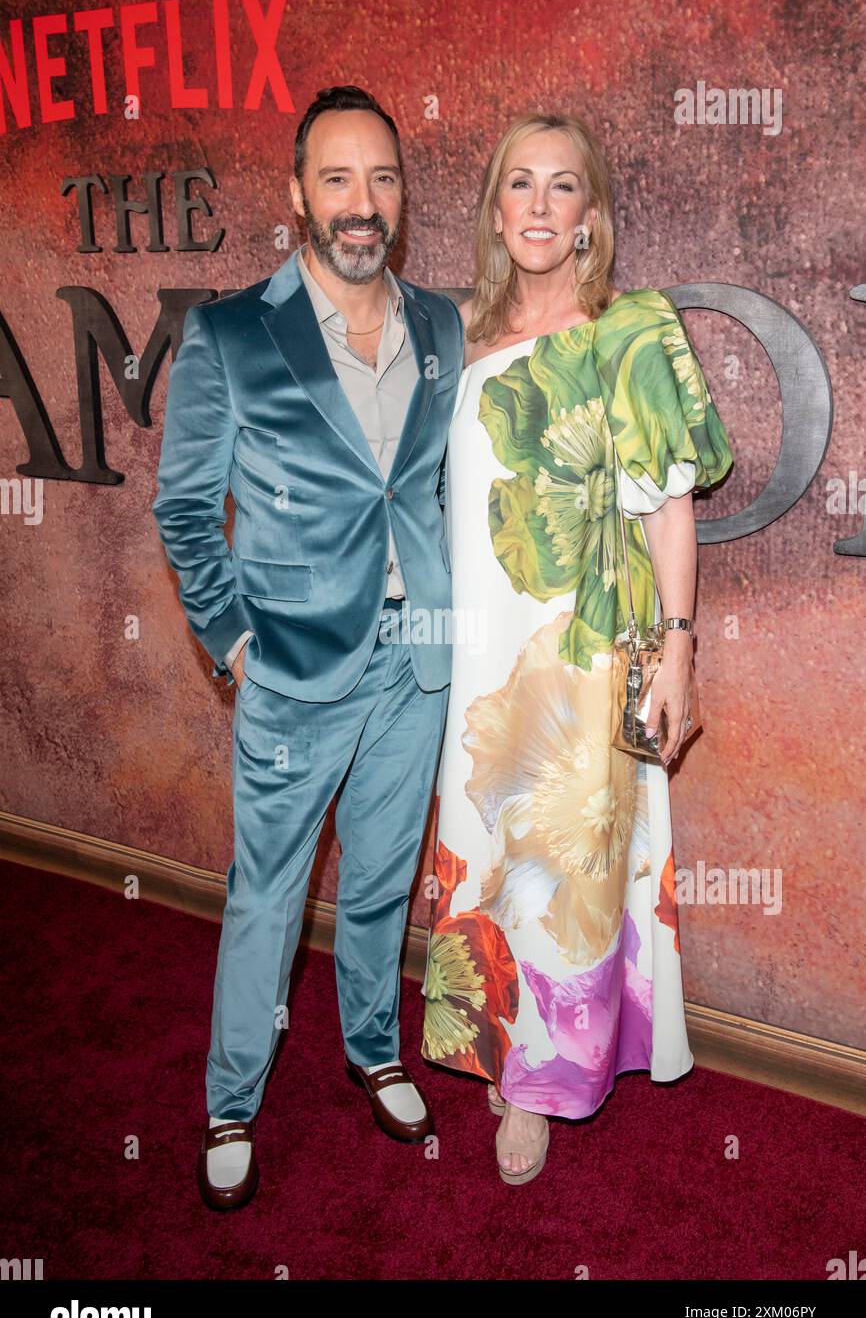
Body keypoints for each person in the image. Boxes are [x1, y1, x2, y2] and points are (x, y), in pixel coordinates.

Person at [153, 85, 463, 1210]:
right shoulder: (232, 332)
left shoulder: (441, 324)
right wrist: (232, 641)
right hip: (289, 663)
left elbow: (431, 490)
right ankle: (232, 1095)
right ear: (297, 193)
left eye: (381, 177)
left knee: (381, 875)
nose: (361, 201)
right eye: (337, 177)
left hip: (415, 659)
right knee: (268, 892)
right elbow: (186, 508)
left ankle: (372, 1044)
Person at [421, 112, 734, 1184]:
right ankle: (502, 1055)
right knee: (486, 855)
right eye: (521, 184)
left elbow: (671, 512)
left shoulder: (628, 331)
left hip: (586, 654)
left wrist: (679, 656)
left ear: (590, 215)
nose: (540, 207)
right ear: (494, 207)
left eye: (563, 187)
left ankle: (539, 1089)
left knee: (570, 874)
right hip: (473, 663)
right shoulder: (455, 336)